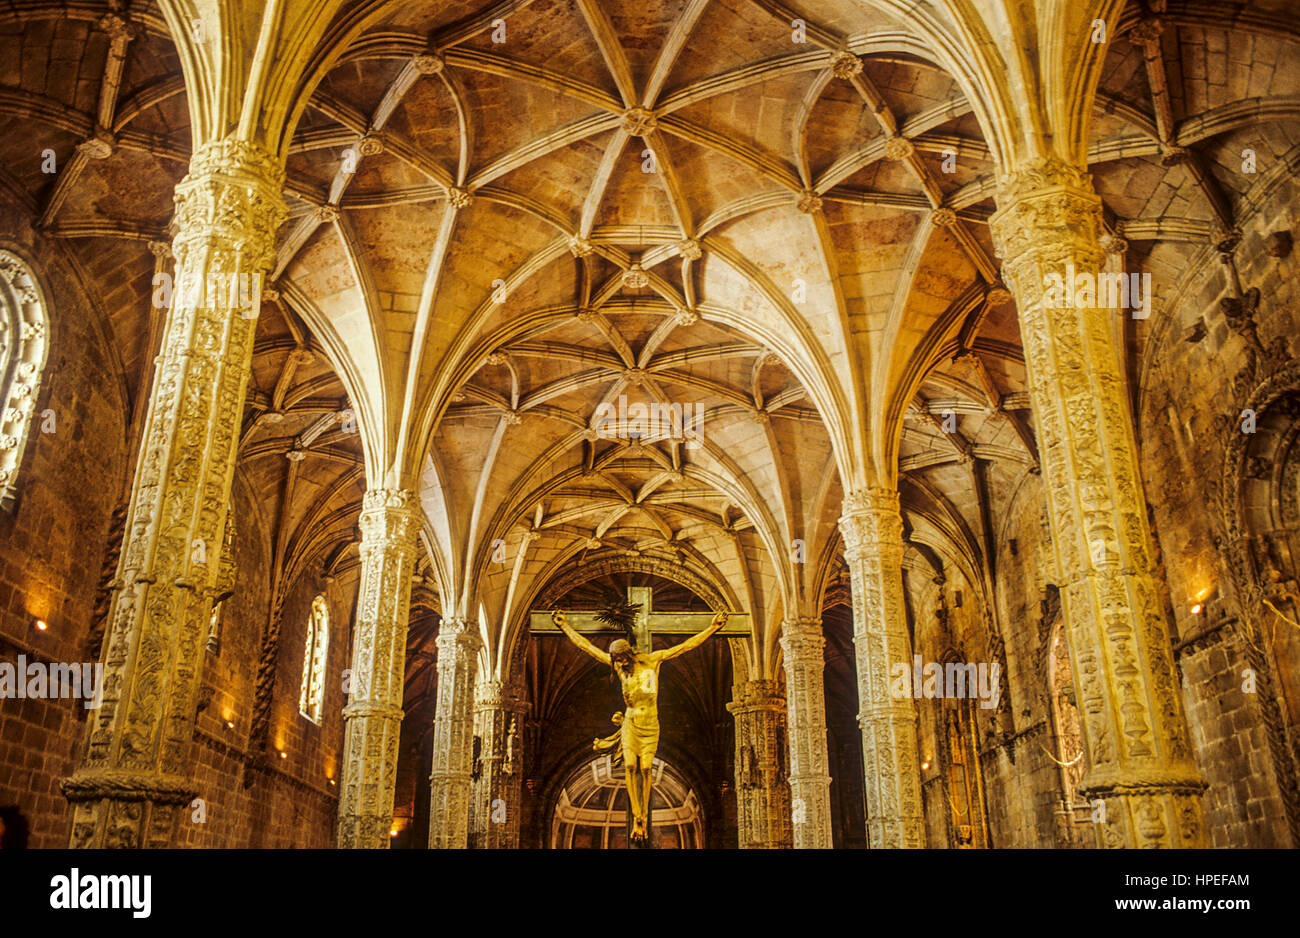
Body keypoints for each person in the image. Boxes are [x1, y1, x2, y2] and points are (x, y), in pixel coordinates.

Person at [552, 609, 727, 842]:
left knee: (646, 769)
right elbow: (588, 648)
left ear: (628, 653)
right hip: (631, 724)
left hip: (650, 725)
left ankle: (643, 814)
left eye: (621, 659)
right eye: (616, 660)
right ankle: (638, 818)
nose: (619, 663)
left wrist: (713, 627)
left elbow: (685, 647)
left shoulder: (653, 661)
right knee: (630, 767)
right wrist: (565, 627)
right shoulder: (617, 667)